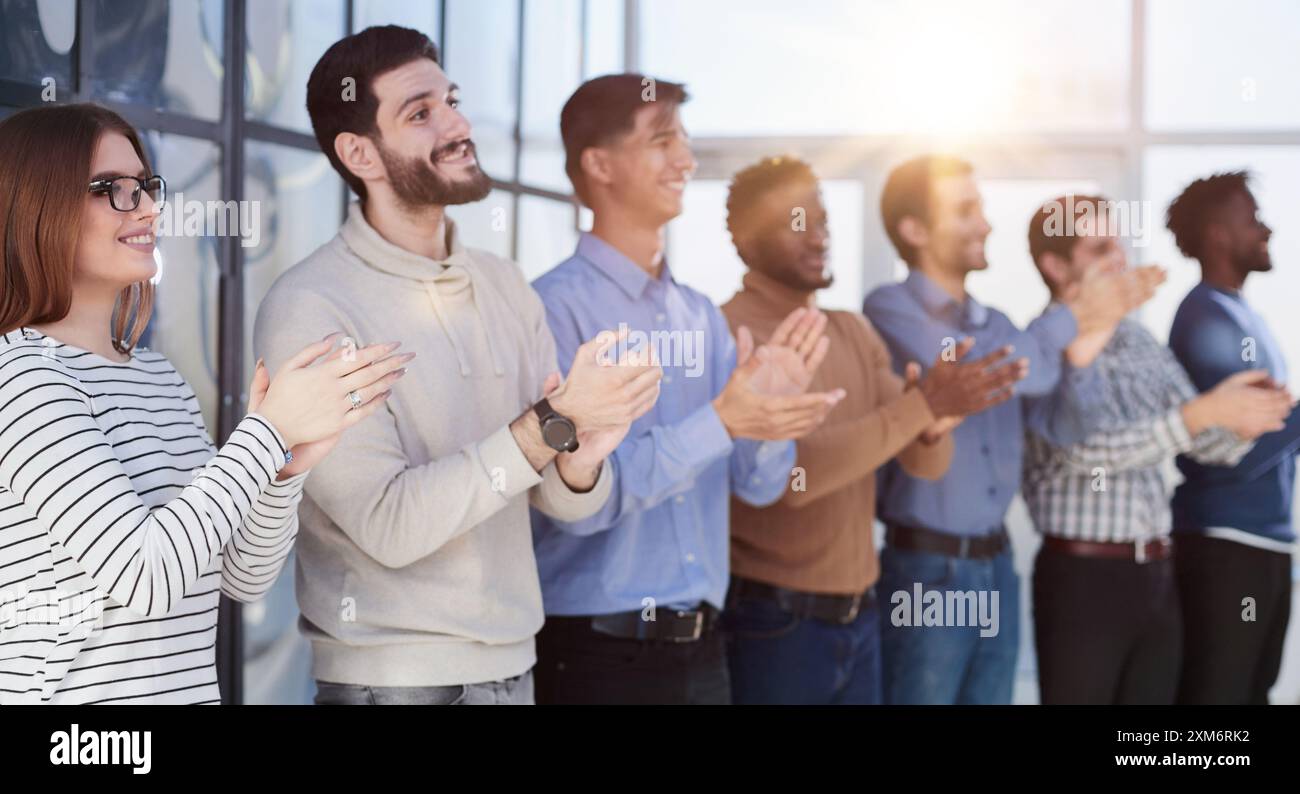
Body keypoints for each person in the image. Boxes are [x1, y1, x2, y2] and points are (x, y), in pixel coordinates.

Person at [254, 27, 659, 706]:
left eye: (453, 101)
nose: (458, 125)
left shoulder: (505, 285)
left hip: (515, 672)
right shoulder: (311, 307)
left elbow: (559, 501)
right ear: (359, 153)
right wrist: (551, 423)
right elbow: (390, 526)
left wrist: (582, 451)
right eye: (421, 114)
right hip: (395, 688)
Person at [0, 103, 398, 704]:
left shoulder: (159, 377)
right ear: (37, 206)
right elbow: (143, 575)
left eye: (145, 186)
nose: (149, 208)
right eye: (110, 189)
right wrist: (266, 434)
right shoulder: (23, 380)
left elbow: (243, 576)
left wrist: (285, 466)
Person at [529, 76, 841, 705]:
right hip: (597, 657)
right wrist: (724, 421)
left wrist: (767, 416)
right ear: (599, 164)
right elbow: (582, 496)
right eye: (662, 140)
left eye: (686, 142)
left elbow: (756, 484)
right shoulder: (550, 311)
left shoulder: (701, 316)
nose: (686, 161)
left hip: (704, 652)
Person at [719, 156, 1027, 704]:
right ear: (744, 239)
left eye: (823, 221)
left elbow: (923, 461)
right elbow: (796, 477)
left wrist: (932, 425)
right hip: (775, 625)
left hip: (860, 616)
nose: (818, 237)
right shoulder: (729, 335)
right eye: (797, 222)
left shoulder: (852, 331)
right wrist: (919, 410)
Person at [862, 155, 1161, 704]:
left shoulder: (998, 324)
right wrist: (1075, 315)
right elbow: (988, 372)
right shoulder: (890, 308)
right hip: (929, 571)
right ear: (914, 230)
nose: (986, 223)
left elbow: (1060, 420)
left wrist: (1085, 346)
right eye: (966, 210)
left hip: (998, 566)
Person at [1022, 194, 1290, 704]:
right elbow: (1083, 452)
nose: (1119, 259)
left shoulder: (1141, 342)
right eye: (1100, 248)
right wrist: (1202, 415)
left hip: (1156, 577)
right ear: (1055, 266)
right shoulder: (1043, 345)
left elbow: (1206, 440)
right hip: (1083, 580)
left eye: (1118, 244)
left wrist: (1246, 416)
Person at [1166, 172, 1300, 704]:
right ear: (1219, 235)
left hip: (1264, 542)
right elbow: (1231, 453)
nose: (1265, 228)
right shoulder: (1205, 318)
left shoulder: (1244, 315)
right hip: (1225, 546)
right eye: (1252, 218)